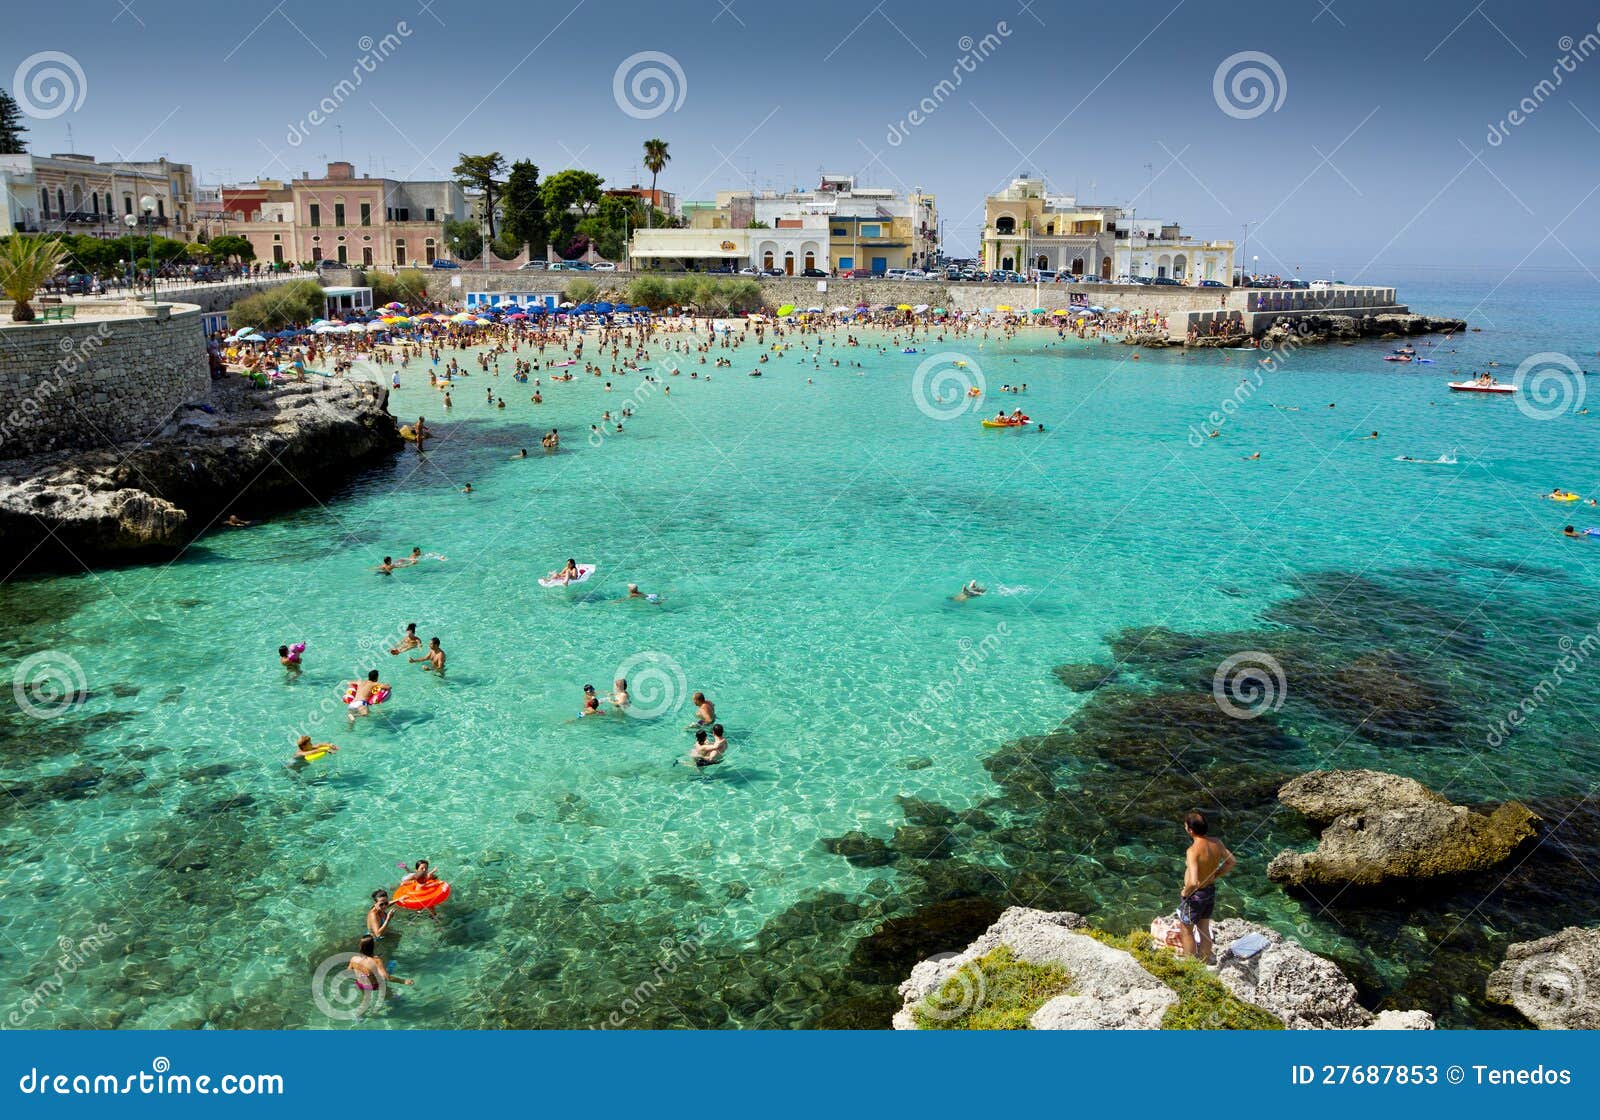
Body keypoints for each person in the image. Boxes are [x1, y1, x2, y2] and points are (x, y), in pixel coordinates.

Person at [1176, 810, 1235, 964]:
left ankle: (1190, 966)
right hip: (1209, 891)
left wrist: (1185, 892)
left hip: (1195, 895)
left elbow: (1194, 881)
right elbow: (1231, 862)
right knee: (1204, 928)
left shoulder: (1193, 851)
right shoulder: (1217, 842)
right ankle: (1203, 961)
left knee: (1186, 930)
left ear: (1190, 830)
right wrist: (1216, 874)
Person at [347, 934, 412, 999]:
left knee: (365, 998)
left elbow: (348, 972)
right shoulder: (376, 961)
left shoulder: (353, 959)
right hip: (374, 985)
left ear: (360, 946)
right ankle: (390, 997)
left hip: (360, 985)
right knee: (385, 989)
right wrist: (403, 981)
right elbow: (387, 977)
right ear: (373, 947)